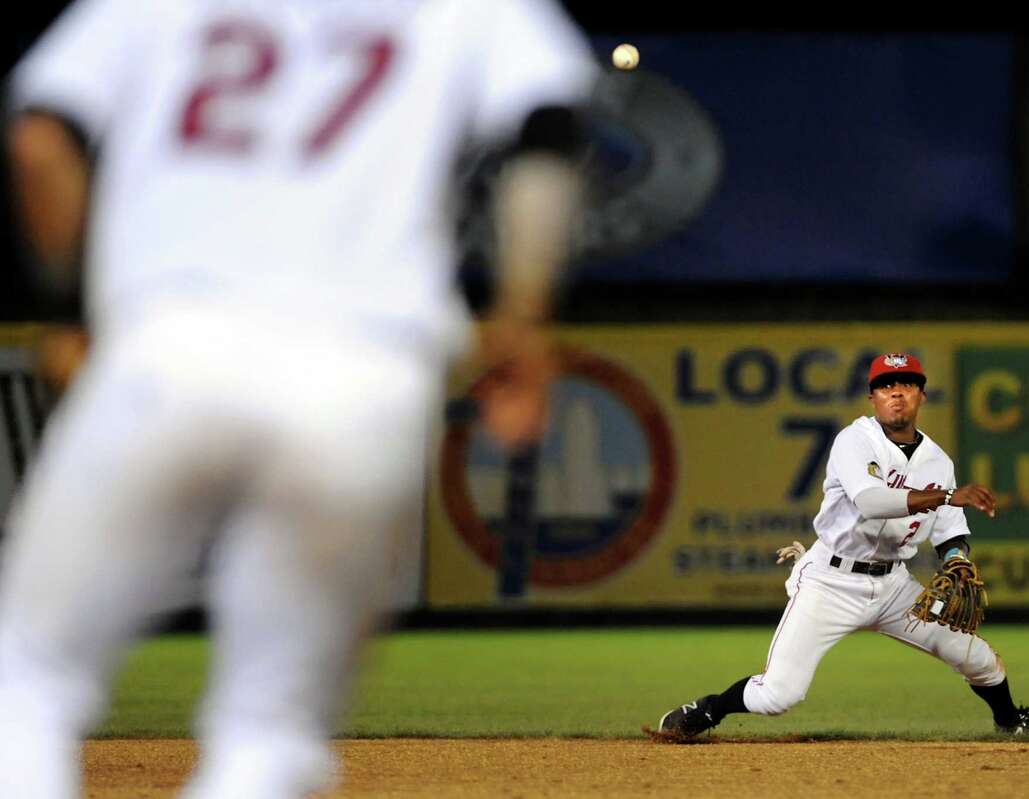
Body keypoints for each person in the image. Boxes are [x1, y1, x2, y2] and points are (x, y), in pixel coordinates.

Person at [0, 1, 597, 796]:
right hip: (365, 372)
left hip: (172, 341)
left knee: (28, 680)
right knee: (268, 729)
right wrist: (522, 319)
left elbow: (40, 139)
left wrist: (70, 304)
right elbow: (549, 127)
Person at [657, 353, 1029, 738]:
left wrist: (957, 560)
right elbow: (870, 502)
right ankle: (710, 708)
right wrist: (946, 496)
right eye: (886, 385)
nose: (896, 393)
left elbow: (949, 531)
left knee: (977, 657)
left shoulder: (939, 462)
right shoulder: (855, 440)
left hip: (893, 588)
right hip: (829, 582)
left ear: (922, 396)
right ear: (873, 397)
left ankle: (1010, 720)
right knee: (778, 696)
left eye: (907, 384)